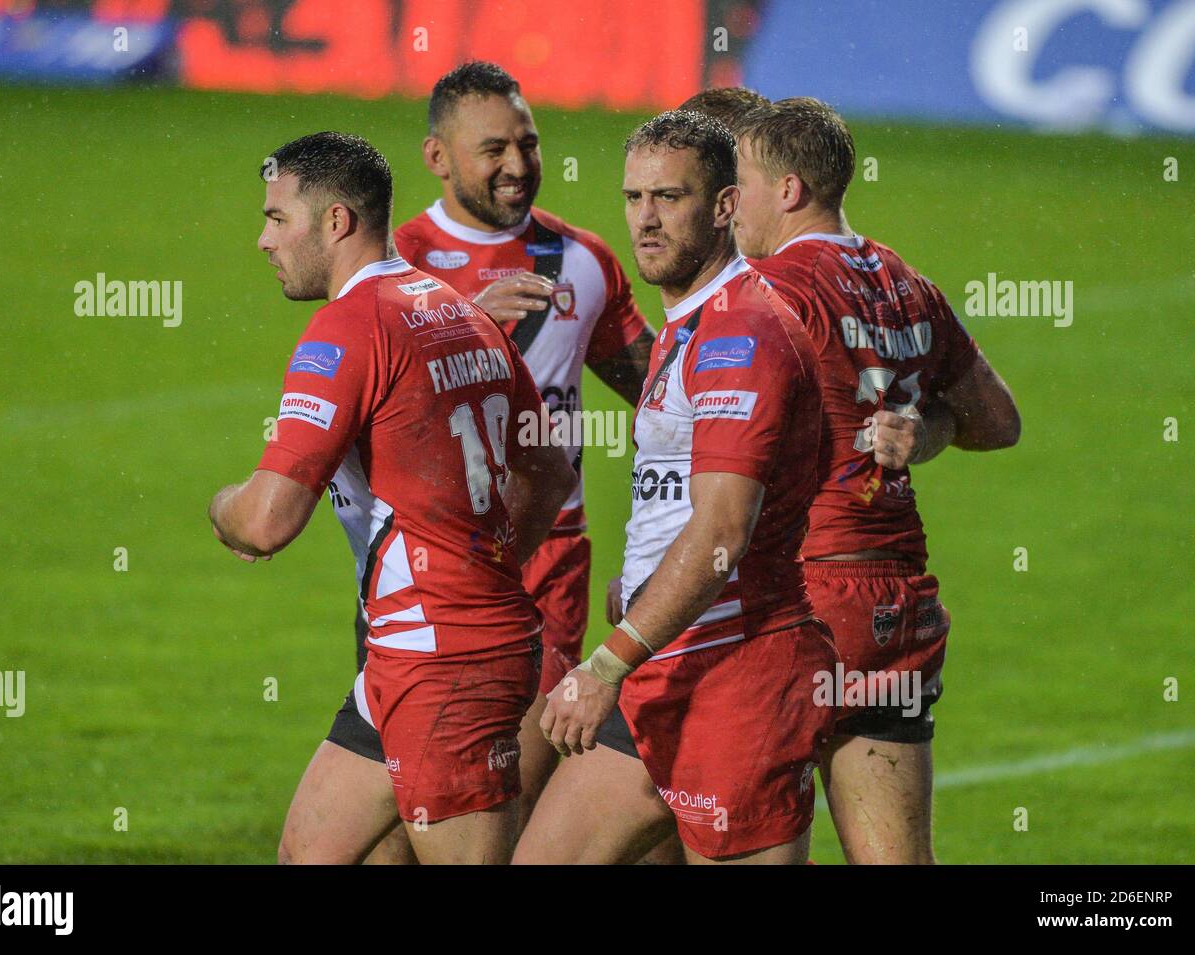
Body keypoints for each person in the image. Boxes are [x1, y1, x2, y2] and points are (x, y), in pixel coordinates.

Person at [207, 131, 575, 864]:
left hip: (445, 664)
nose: (262, 240)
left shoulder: (347, 329)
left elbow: (266, 521)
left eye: (278, 219)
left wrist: (221, 507)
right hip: (411, 652)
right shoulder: (456, 308)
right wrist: (487, 564)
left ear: (335, 222)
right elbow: (551, 470)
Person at [513, 111, 836, 865]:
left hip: (737, 673)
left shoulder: (738, 333)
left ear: (725, 206)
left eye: (669, 197)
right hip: (667, 660)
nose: (646, 220)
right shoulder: (690, 325)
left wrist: (605, 662)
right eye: (633, 198)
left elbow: (724, 531)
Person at [356, 63, 654, 861]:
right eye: (494, 148)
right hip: (413, 579)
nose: (518, 165)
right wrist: (456, 326)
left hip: (539, 577)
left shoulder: (583, 262)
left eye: (529, 142)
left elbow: (662, 397)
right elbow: (346, 417)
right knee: (397, 827)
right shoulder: (393, 268)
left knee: (490, 810)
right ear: (437, 156)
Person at [735, 97, 1021, 863]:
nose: (731, 206)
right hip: (895, 606)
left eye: (742, 184)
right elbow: (998, 419)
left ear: (788, 190)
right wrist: (926, 430)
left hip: (798, 598)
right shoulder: (903, 279)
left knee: (621, 812)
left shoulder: (767, 290)